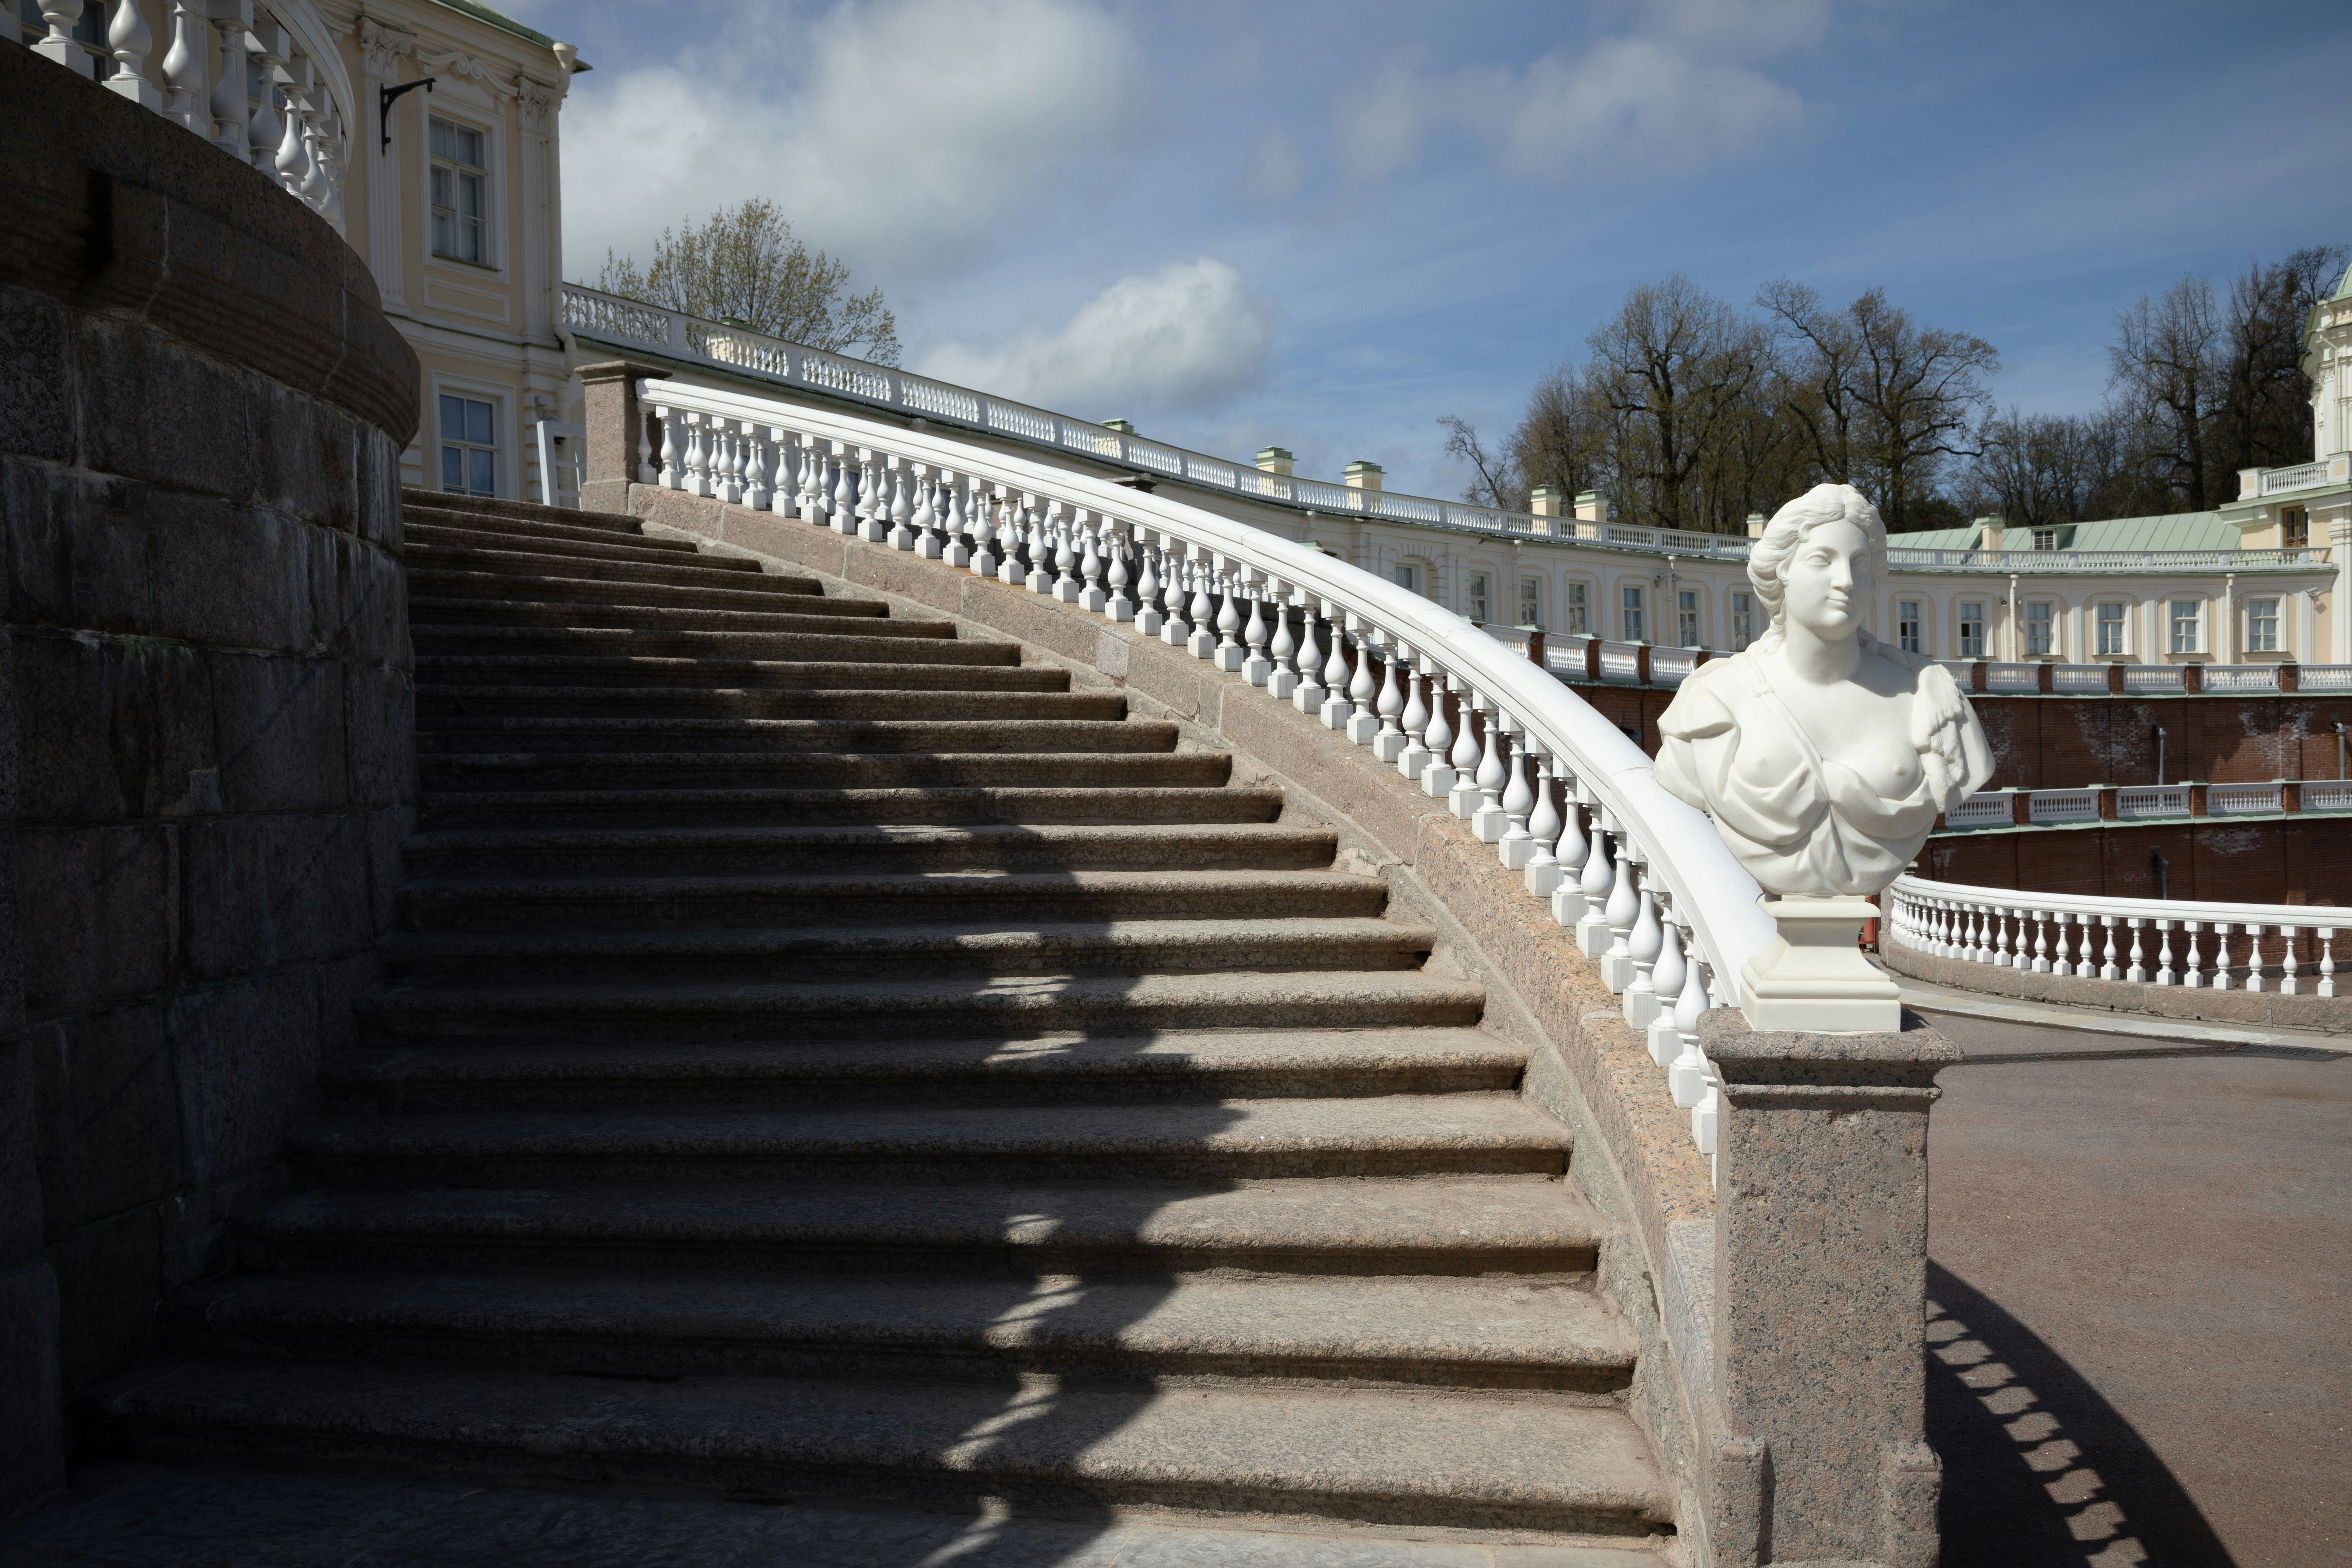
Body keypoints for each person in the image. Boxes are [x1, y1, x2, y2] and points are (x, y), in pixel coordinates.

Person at [1653, 483, 1993, 898]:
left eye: (1859, 563)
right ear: (1783, 571)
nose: (1846, 581)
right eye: (1821, 560)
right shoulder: (1715, 699)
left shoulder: (1927, 700)